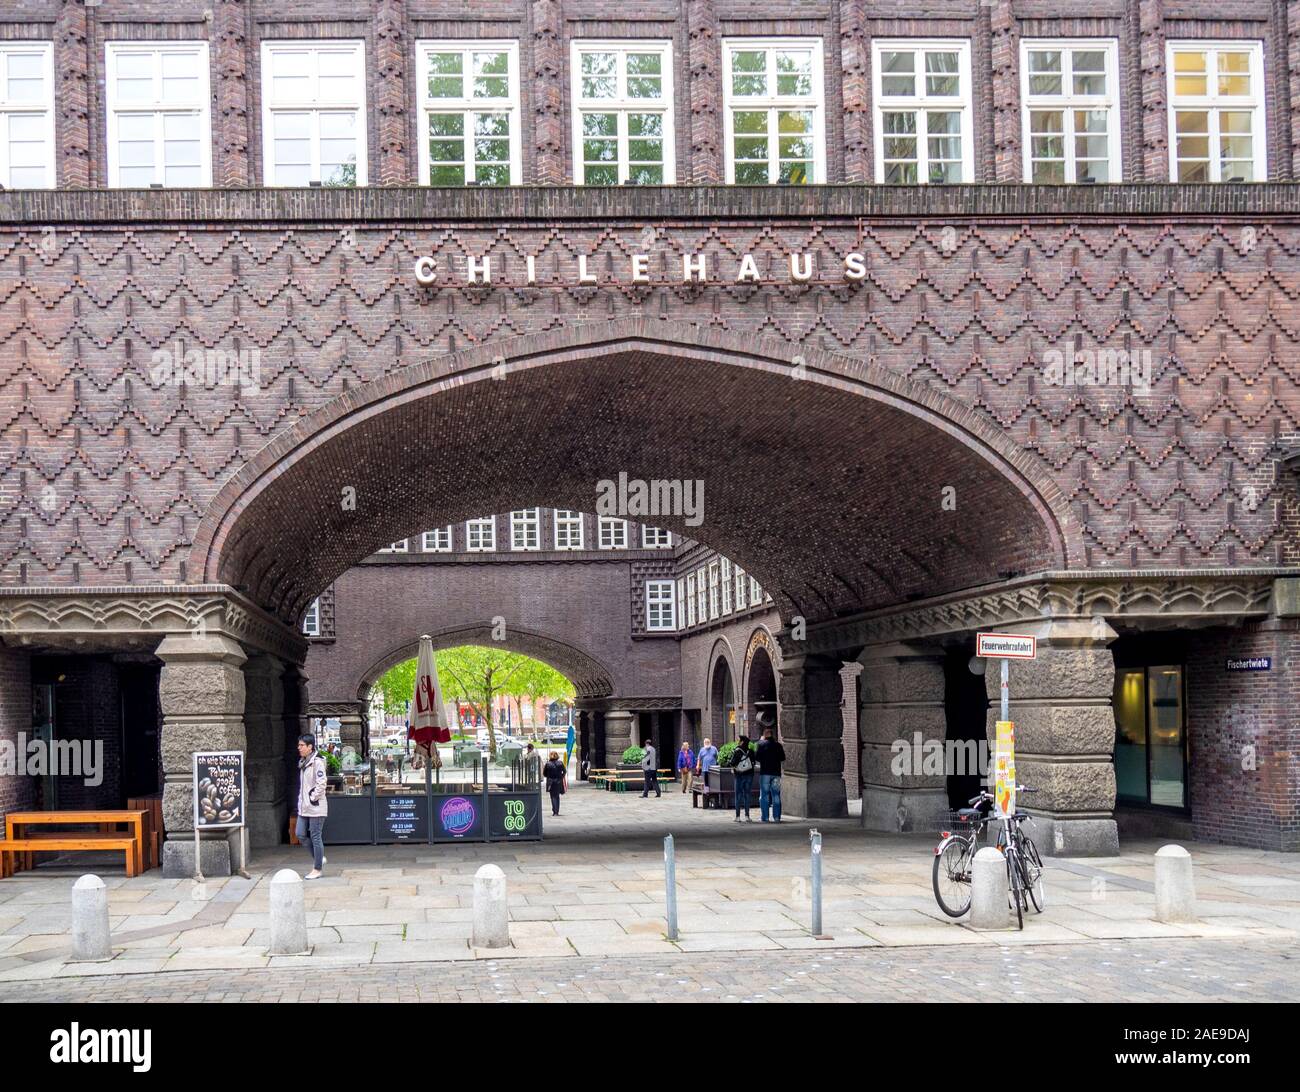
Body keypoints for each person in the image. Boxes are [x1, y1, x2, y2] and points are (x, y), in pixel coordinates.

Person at [296, 733, 328, 878]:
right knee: (300, 834)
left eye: (302, 745)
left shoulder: (318, 762)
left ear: (310, 747)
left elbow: (321, 784)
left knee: (315, 836)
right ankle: (318, 857)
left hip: (315, 806)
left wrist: (312, 797)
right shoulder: (303, 762)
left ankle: (317, 869)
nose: (299, 748)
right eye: (299, 745)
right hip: (304, 807)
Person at [756, 723, 786, 823]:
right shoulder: (778, 745)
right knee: (776, 795)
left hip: (765, 773)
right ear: (772, 735)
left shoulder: (761, 744)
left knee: (764, 795)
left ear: (764, 735)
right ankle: (777, 817)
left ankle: (765, 817)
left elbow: (757, 758)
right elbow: (782, 758)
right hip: (776, 773)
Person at [729, 734, 754, 822]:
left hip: (739, 775)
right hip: (749, 775)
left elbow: (732, 763)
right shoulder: (750, 751)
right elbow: (753, 763)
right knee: (747, 795)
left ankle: (738, 817)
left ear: (742, 742)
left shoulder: (737, 751)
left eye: (739, 740)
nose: (738, 742)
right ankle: (747, 816)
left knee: (738, 795)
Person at [543, 750, 566, 816]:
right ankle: (557, 811)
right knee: (557, 796)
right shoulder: (560, 763)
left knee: (553, 796)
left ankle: (554, 811)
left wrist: (549, 776)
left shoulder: (548, 764)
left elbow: (544, 773)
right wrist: (561, 776)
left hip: (551, 782)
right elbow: (564, 771)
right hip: (558, 781)